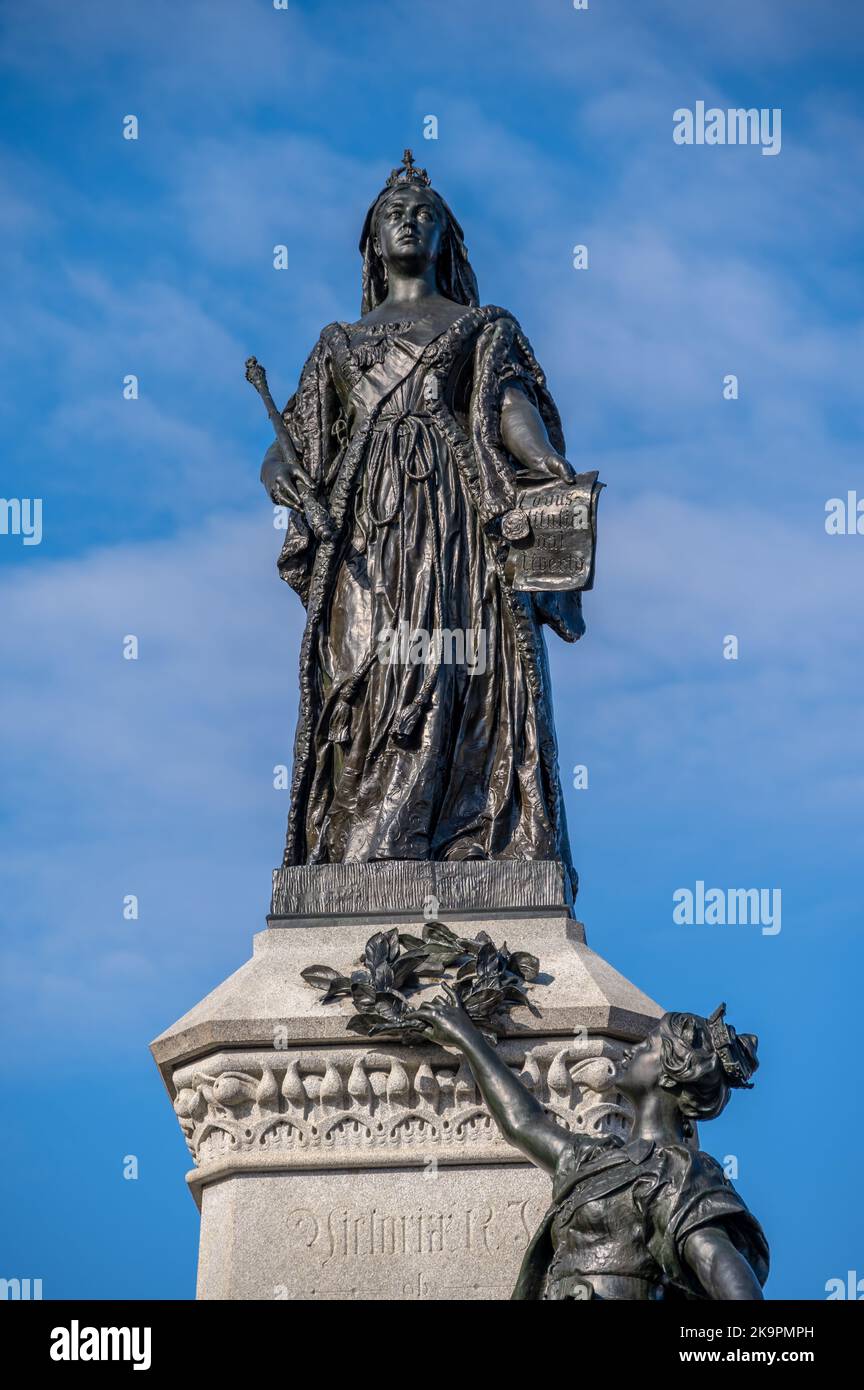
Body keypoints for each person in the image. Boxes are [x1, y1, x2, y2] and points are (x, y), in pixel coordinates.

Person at [259, 152, 599, 879]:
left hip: (452, 520)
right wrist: (282, 475)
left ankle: (461, 831)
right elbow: (295, 442)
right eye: (392, 214)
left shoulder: (481, 327)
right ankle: (365, 842)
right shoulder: (336, 345)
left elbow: (508, 405)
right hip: (368, 529)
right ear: (372, 242)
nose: (407, 220)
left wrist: (542, 462)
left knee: (455, 668)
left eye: (423, 214)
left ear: (446, 236)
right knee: (369, 673)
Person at [410, 990, 769, 1300]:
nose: (631, 1051)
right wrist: (466, 1037)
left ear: (668, 1073)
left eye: (647, 1045)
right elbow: (523, 1123)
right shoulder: (596, 1157)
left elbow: (719, 1264)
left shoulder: (677, 1169)